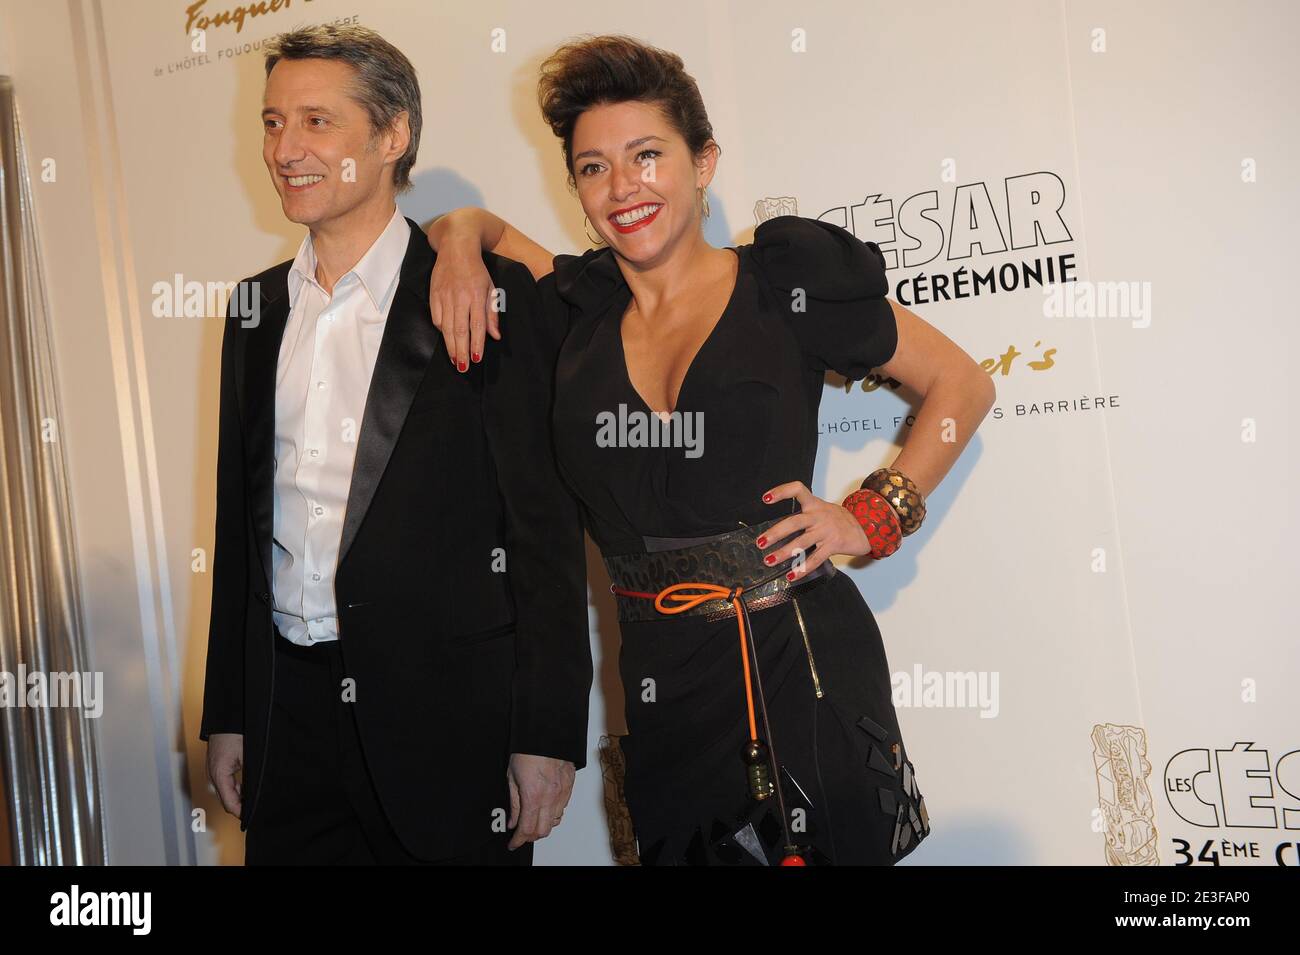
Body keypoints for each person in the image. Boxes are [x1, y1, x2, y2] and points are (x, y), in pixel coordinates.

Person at [424, 35, 995, 864]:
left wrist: (874, 511)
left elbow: (962, 385)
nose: (623, 187)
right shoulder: (578, 310)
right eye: (593, 167)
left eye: (647, 155)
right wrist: (455, 241)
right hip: (665, 683)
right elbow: (473, 225)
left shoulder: (784, 282)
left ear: (704, 162)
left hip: (801, 661)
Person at [199, 24, 591, 866]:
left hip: (450, 728)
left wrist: (547, 732)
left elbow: (543, 533)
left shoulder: (481, 293)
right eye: (272, 123)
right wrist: (229, 712)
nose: (285, 149)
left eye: (316, 121)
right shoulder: (252, 310)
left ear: (393, 135)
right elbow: (242, 529)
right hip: (289, 724)